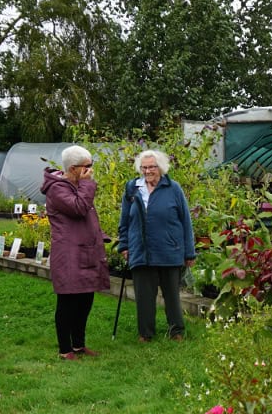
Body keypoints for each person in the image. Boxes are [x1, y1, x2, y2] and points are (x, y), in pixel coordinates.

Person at [117, 150, 196, 342]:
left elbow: (186, 220)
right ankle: (146, 333)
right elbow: (125, 220)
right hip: (141, 250)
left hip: (169, 249)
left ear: (160, 167)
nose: (147, 171)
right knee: (144, 296)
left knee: (171, 295)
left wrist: (189, 252)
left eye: (151, 167)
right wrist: (124, 245)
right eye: (144, 167)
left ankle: (176, 331)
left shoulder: (173, 188)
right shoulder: (132, 188)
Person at [41, 145, 110, 360]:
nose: (91, 171)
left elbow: (85, 217)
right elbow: (79, 208)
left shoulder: (78, 186)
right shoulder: (57, 189)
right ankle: (65, 349)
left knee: (85, 300)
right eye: (87, 167)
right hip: (69, 254)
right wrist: (88, 185)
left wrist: (101, 235)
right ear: (73, 168)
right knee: (68, 302)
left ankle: (79, 345)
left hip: (86, 251)